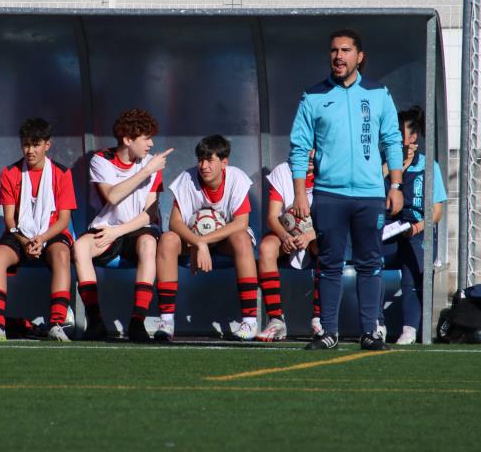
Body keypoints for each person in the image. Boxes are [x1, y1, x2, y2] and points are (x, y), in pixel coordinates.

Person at [290, 28, 403, 351]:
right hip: (329, 195)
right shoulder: (313, 96)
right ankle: (328, 332)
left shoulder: (379, 93)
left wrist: (394, 185)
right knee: (329, 264)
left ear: (359, 56)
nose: (338, 56)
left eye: (345, 50)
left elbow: (392, 140)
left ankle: (371, 331)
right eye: (334, 51)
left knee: (370, 263)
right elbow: (299, 147)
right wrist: (300, 193)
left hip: (369, 195)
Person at [73, 108, 171, 343]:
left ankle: (137, 322)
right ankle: (95, 322)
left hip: (135, 230)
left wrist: (117, 231)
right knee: (80, 247)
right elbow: (113, 196)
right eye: (145, 138)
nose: (150, 144)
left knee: (148, 242)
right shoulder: (101, 159)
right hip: (107, 227)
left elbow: (150, 215)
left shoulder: (151, 164)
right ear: (128, 139)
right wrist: (147, 170)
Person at [0, 118, 77, 343]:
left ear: (47, 145)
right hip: (19, 234)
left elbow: (63, 220)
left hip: (50, 233)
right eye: (26, 145)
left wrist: (41, 239)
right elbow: (11, 219)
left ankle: (57, 323)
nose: (29, 150)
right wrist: (25, 241)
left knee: (62, 253)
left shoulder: (62, 173)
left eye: (35, 144)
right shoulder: (10, 172)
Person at [155, 135, 256, 341]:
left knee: (242, 239)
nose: (204, 166)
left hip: (224, 240)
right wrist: (197, 242)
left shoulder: (237, 178)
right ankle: (166, 320)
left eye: (210, 160)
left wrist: (204, 241)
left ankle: (250, 321)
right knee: (167, 240)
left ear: (224, 162)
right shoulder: (187, 178)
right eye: (201, 160)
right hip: (193, 241)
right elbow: (174, 222)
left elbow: (241, 223)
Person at [381, 106, 448, 345]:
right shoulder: (384, 163)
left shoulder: (429, 166)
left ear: (413, 137)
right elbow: (372, 188)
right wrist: (401, 167)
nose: (397, 138)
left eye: (401, 133)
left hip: (415, 229)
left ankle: (409, 329)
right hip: (386, 226)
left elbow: (437, 210)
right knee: (370, 263)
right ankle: (375, 325)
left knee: (413, 269)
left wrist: (417, 228)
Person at [255, 150, 322, 342]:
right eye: (306, 148)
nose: (311, 154)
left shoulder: (330, 170)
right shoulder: (283, 171)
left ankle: (319, 318)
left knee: (327, 246)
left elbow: (334, 220)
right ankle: (276, 319)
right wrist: (284, 236)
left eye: (315, 146)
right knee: (266, 248)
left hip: (317, 234)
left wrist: (310, 235)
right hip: (287, 234)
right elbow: (272, 217)